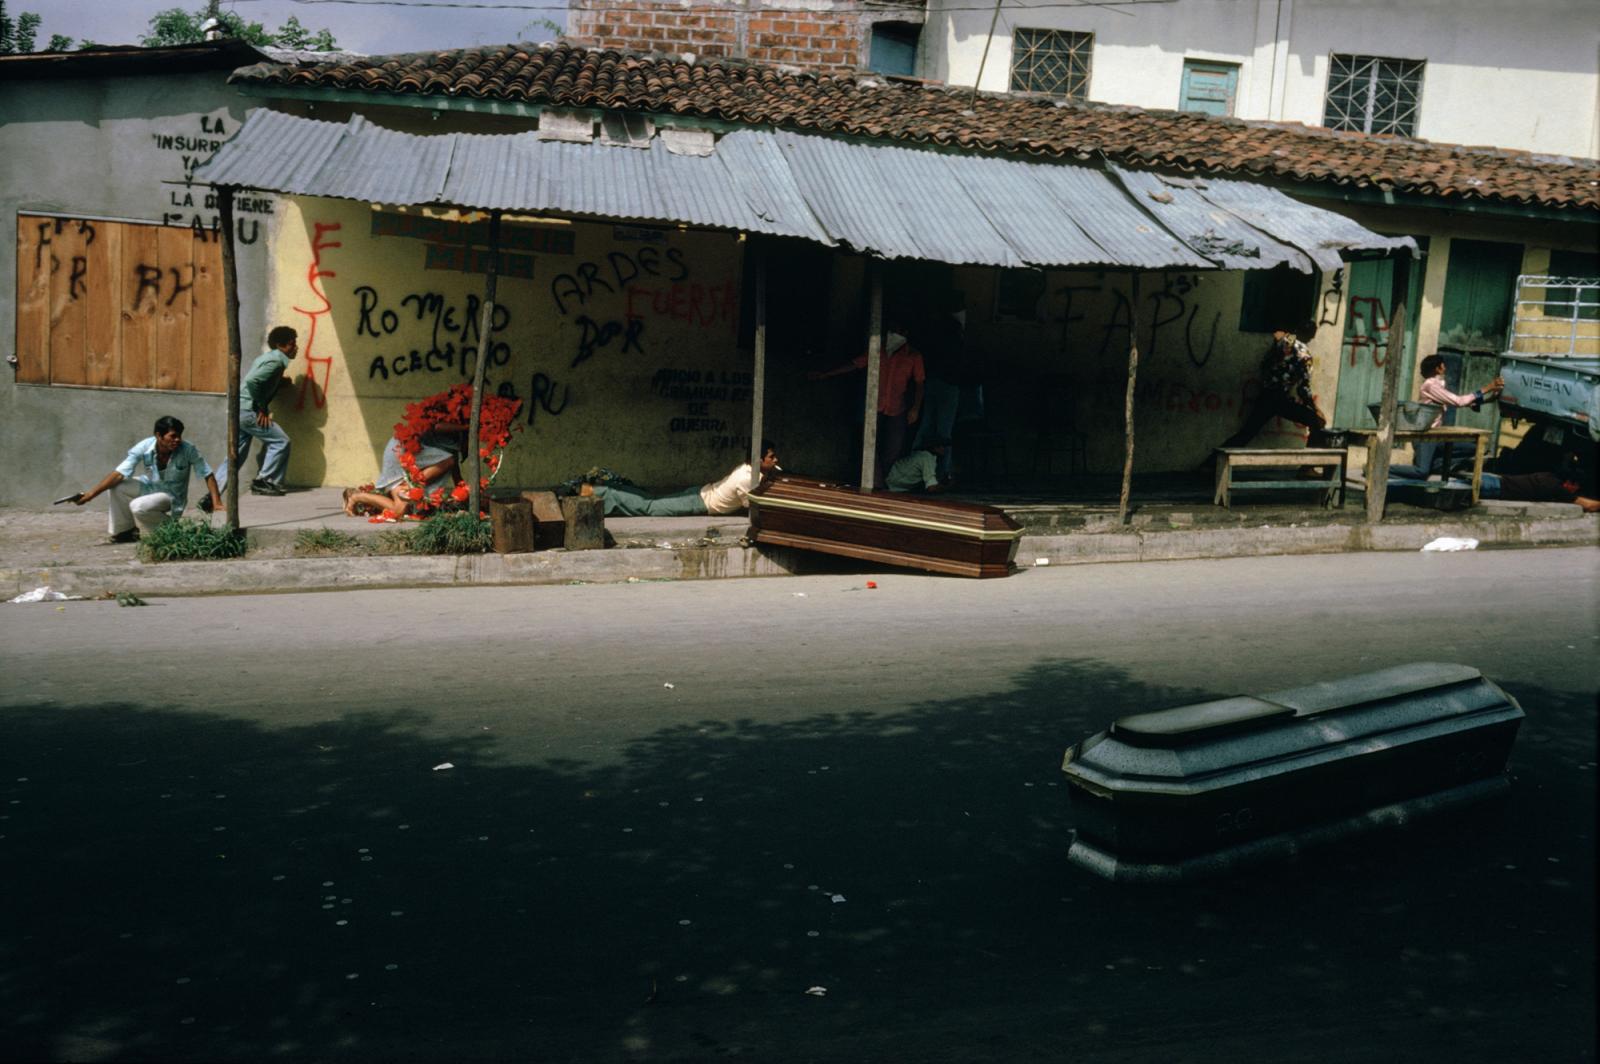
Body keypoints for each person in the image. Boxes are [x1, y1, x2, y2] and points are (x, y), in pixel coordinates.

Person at [68, 415, 223, 543]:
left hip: (171, 497)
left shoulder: (188, 449)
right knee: (117, 486)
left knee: (138, 506)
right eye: (173, 436)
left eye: (179, 436)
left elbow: (207, 473)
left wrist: (217, 503)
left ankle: (174, 530)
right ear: (159, 436)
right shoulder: (145, 446)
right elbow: (119, 473)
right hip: (150, 487)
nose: (177, 440)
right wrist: (90, 495)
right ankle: (125, 532)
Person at [809, 322, 925, 488]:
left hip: (897, 406)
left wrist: (915, 408)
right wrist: (825, 374)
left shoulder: (914, 356)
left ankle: (883, 480)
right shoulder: (878, 350)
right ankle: (876, 484)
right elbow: (855, 364)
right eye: (893, 330)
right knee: (870, 444)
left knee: (894, 448)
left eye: (899, 331)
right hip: (874, 405)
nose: (895, 334)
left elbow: (920, 383)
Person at [1217, 319, 1331, 453]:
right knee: (1315, 421)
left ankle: (1212, 462)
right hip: (1280, 398)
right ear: (1311, 336)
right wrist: (1316, 409)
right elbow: (1303, 389)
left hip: (1267, 395)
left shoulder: (1286, 341)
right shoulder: (1305, 355)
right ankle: (1308, 467)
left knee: (1247, 433)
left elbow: (1277, 338)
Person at [579, 442, 778, 517]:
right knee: (649, 507)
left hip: (699, 493)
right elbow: (751, 507)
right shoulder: (747, 478)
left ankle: (595, 488)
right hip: (700, 502)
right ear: (758, 460)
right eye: (771, 457)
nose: (776, 460)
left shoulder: (748, 469)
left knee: (651, 500)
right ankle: (592, 491)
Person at [217, 325, 297, 497]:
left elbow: (256, 379)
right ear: (279, 345)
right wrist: (262, 408)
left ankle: (213, 494)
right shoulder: (276, 361)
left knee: (235, 454)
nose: (295, 347)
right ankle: (264, 481)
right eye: (291, 344)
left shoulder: (268, 358)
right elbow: (254, 381)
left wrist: (280, 382)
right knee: (281, 441)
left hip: (238, 410)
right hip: (249, 411)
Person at [344, 424, 466, 517]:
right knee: (448, 461)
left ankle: (357, 496)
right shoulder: (459, 425)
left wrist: (463, 493)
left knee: (399, 510)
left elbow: (454, 466)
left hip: (411, 452)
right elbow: (437, 427)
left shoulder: (454, 444)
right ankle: (357, 497)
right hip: (402, 449)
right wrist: (467, 427)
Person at [1413, 354, 1504, 477]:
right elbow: (1459, 401)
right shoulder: (1430, 385)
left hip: (1435, 436)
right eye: (1443, 364)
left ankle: (1437, 466)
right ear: (1438, 368)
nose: (1445, 367)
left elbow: (1468, 403)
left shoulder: (1437, 385)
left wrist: (1489, 399)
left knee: (1475, 448)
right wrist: (1489, 387)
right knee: (1421, 472)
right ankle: (1387, 471)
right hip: (1426, 437)